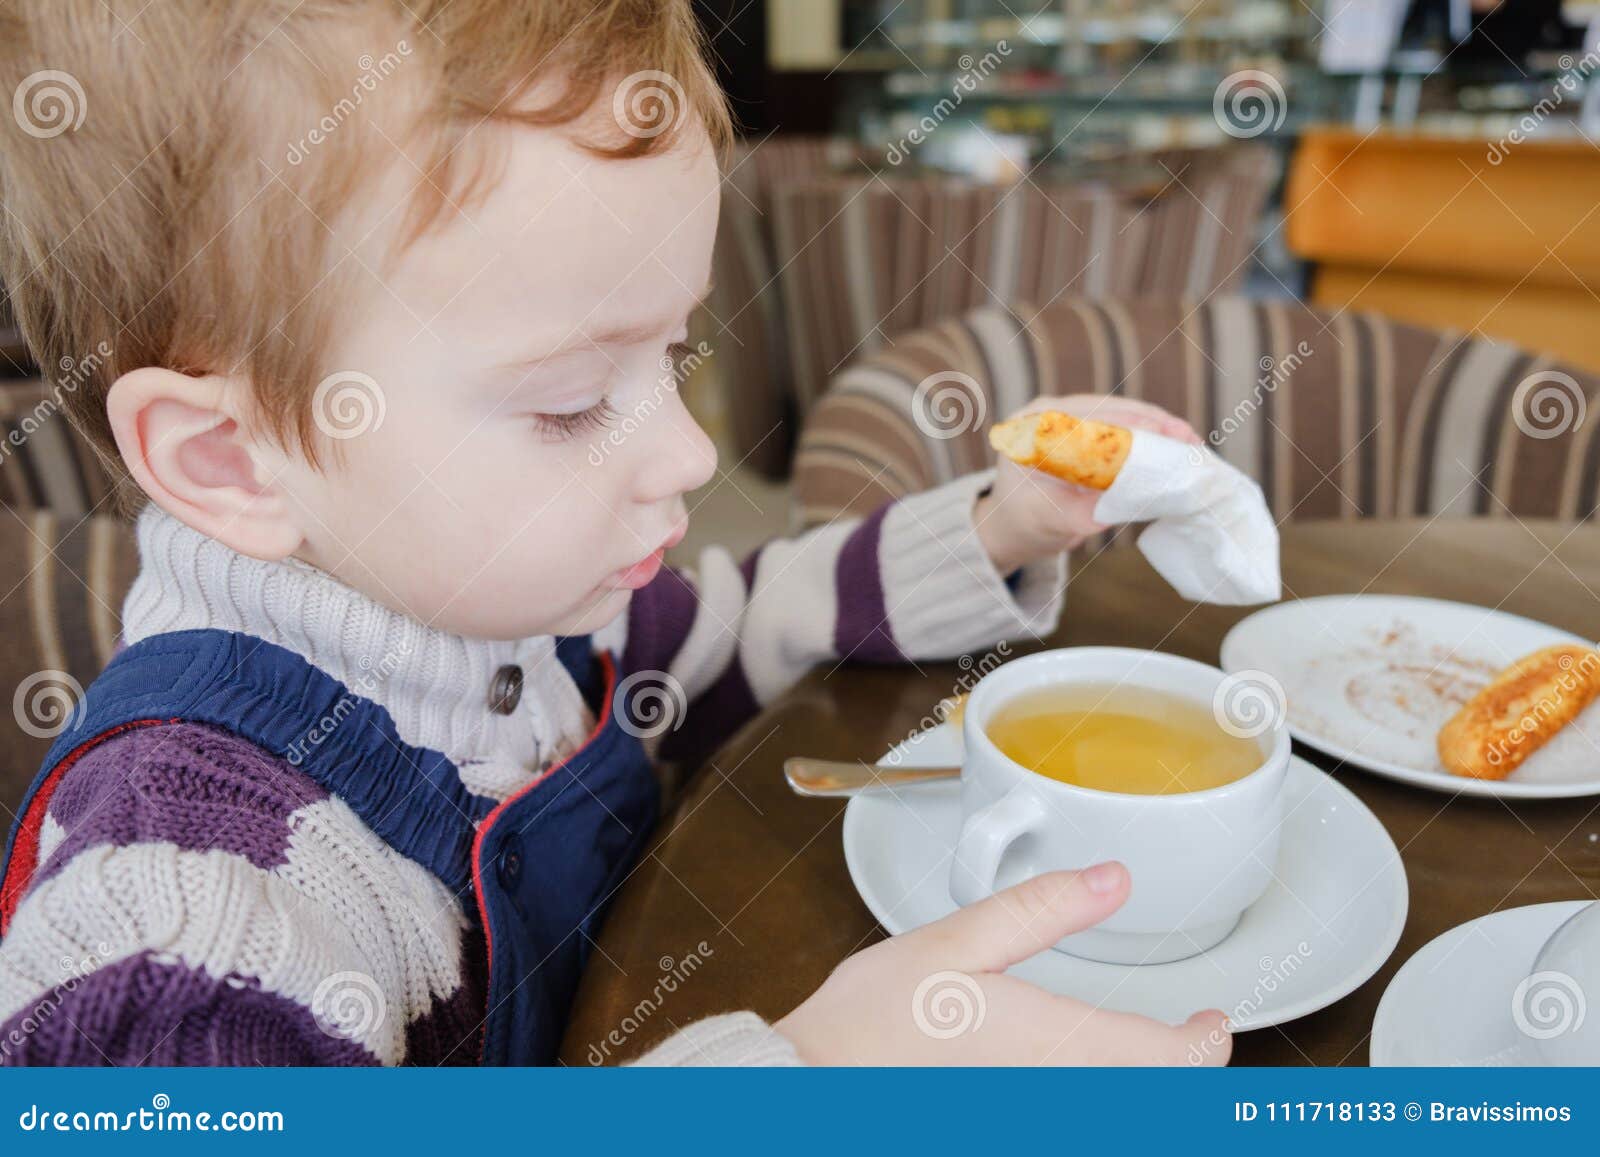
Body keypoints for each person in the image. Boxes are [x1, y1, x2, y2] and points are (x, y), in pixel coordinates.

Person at [0, 0, 1227, 1067]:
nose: (691, 451)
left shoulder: (505, 617)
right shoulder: (184, 895)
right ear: (228, 459)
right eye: (573, 401)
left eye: (675, 353)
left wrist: (1002, 522)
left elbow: (740, 626)